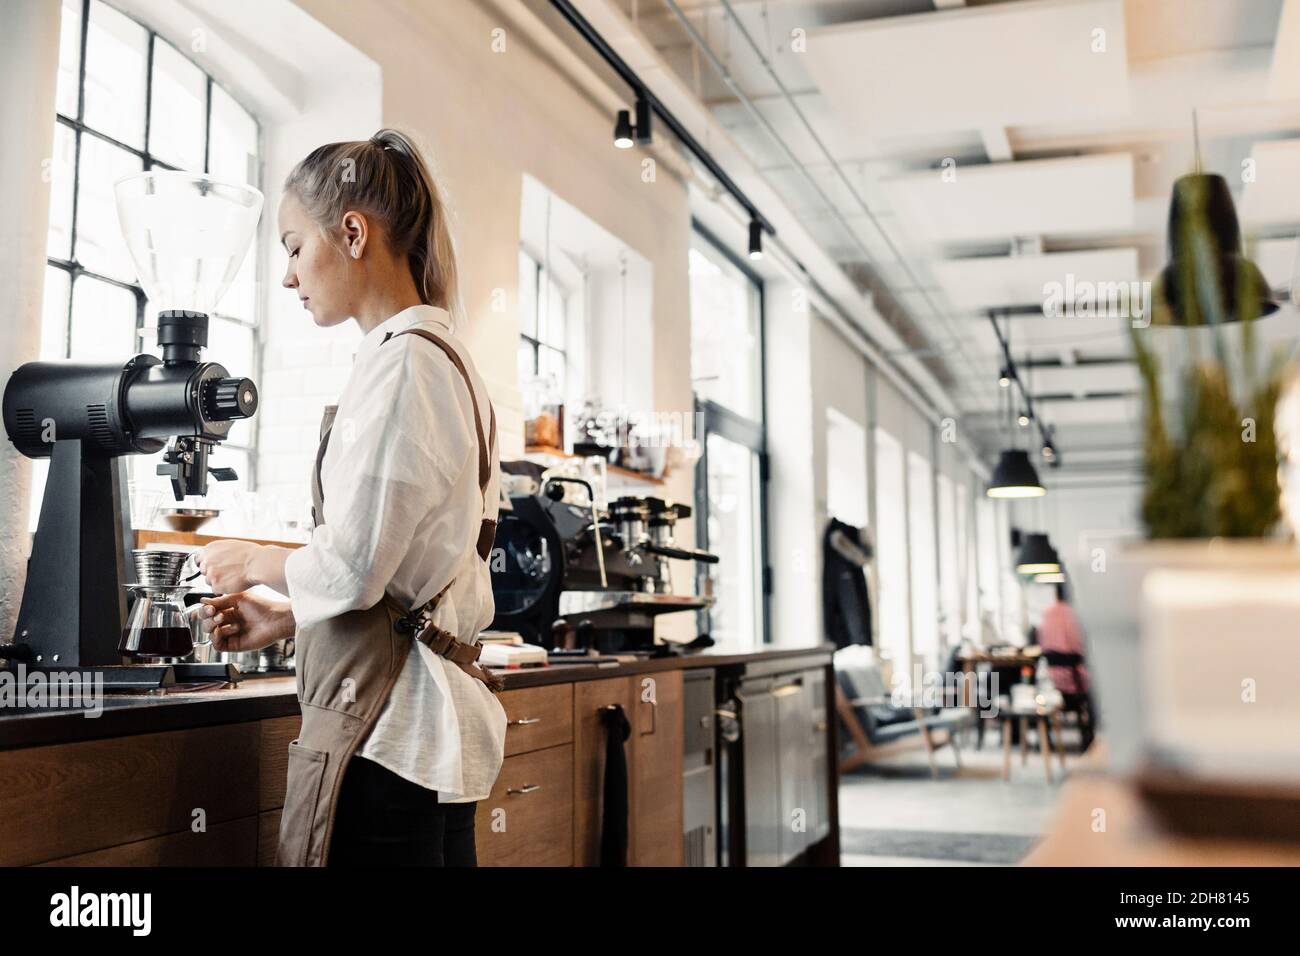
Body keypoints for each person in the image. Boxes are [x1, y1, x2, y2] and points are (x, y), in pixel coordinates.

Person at [193, 129, 507, 866]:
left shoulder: (405, 368)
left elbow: (358, 567)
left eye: (295, 247)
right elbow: (400, 582)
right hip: (417, 734)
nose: (288, 277)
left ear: (354, 232)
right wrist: (286, 619)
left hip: (392, 738)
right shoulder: (438, 358)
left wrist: (249, 562)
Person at [1036, 581, 1095, 751]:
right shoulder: (1077, 615)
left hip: (1053, 684)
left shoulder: (1046, 614)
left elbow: (1041, 644)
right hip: (1078, 684)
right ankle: (1090, 735)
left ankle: (1044, 737)